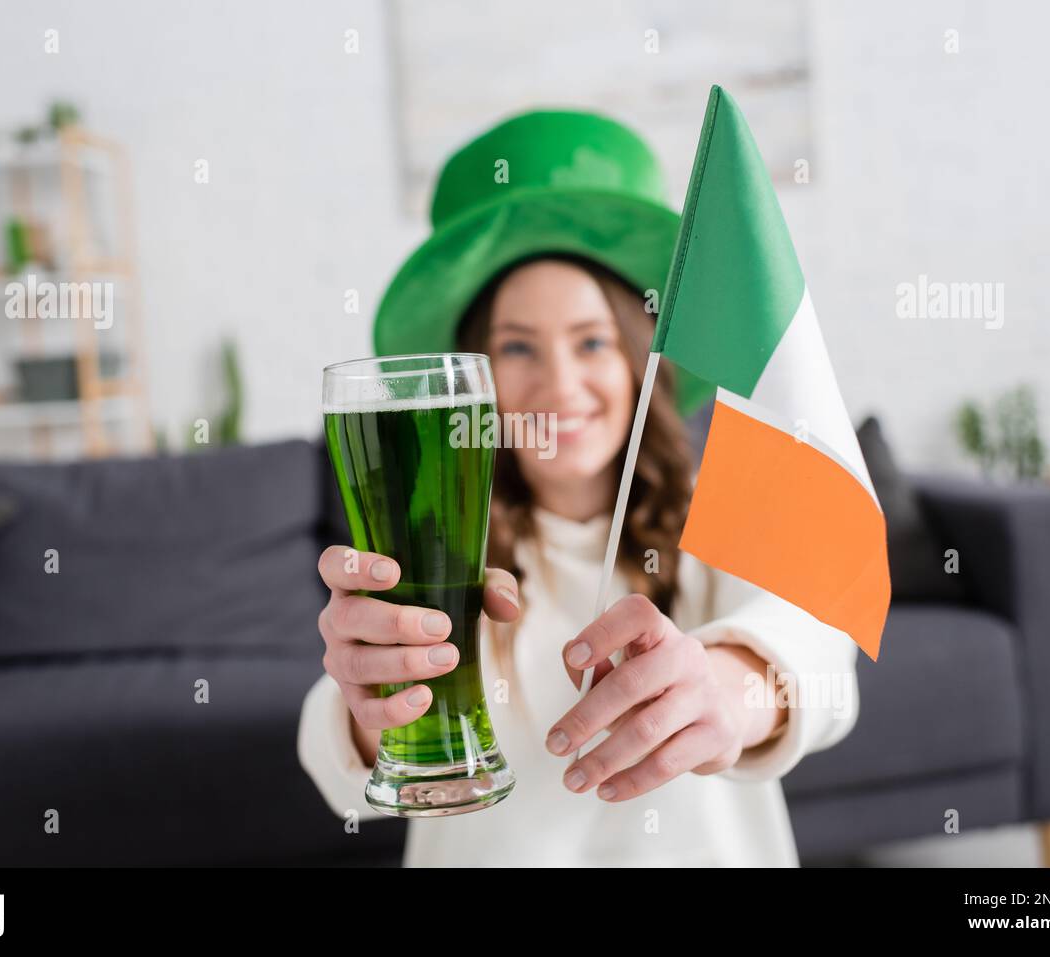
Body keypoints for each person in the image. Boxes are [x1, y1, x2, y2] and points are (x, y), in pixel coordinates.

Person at [299, 108, 860, 866]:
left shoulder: (723, 506)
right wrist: (373, 709)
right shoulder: (437, 551)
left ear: (638, 357)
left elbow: (821, 656)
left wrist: (731, 688)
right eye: (517, 346)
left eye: (591, 341)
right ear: (476, 378)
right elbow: (331, 757)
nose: (559, 386)